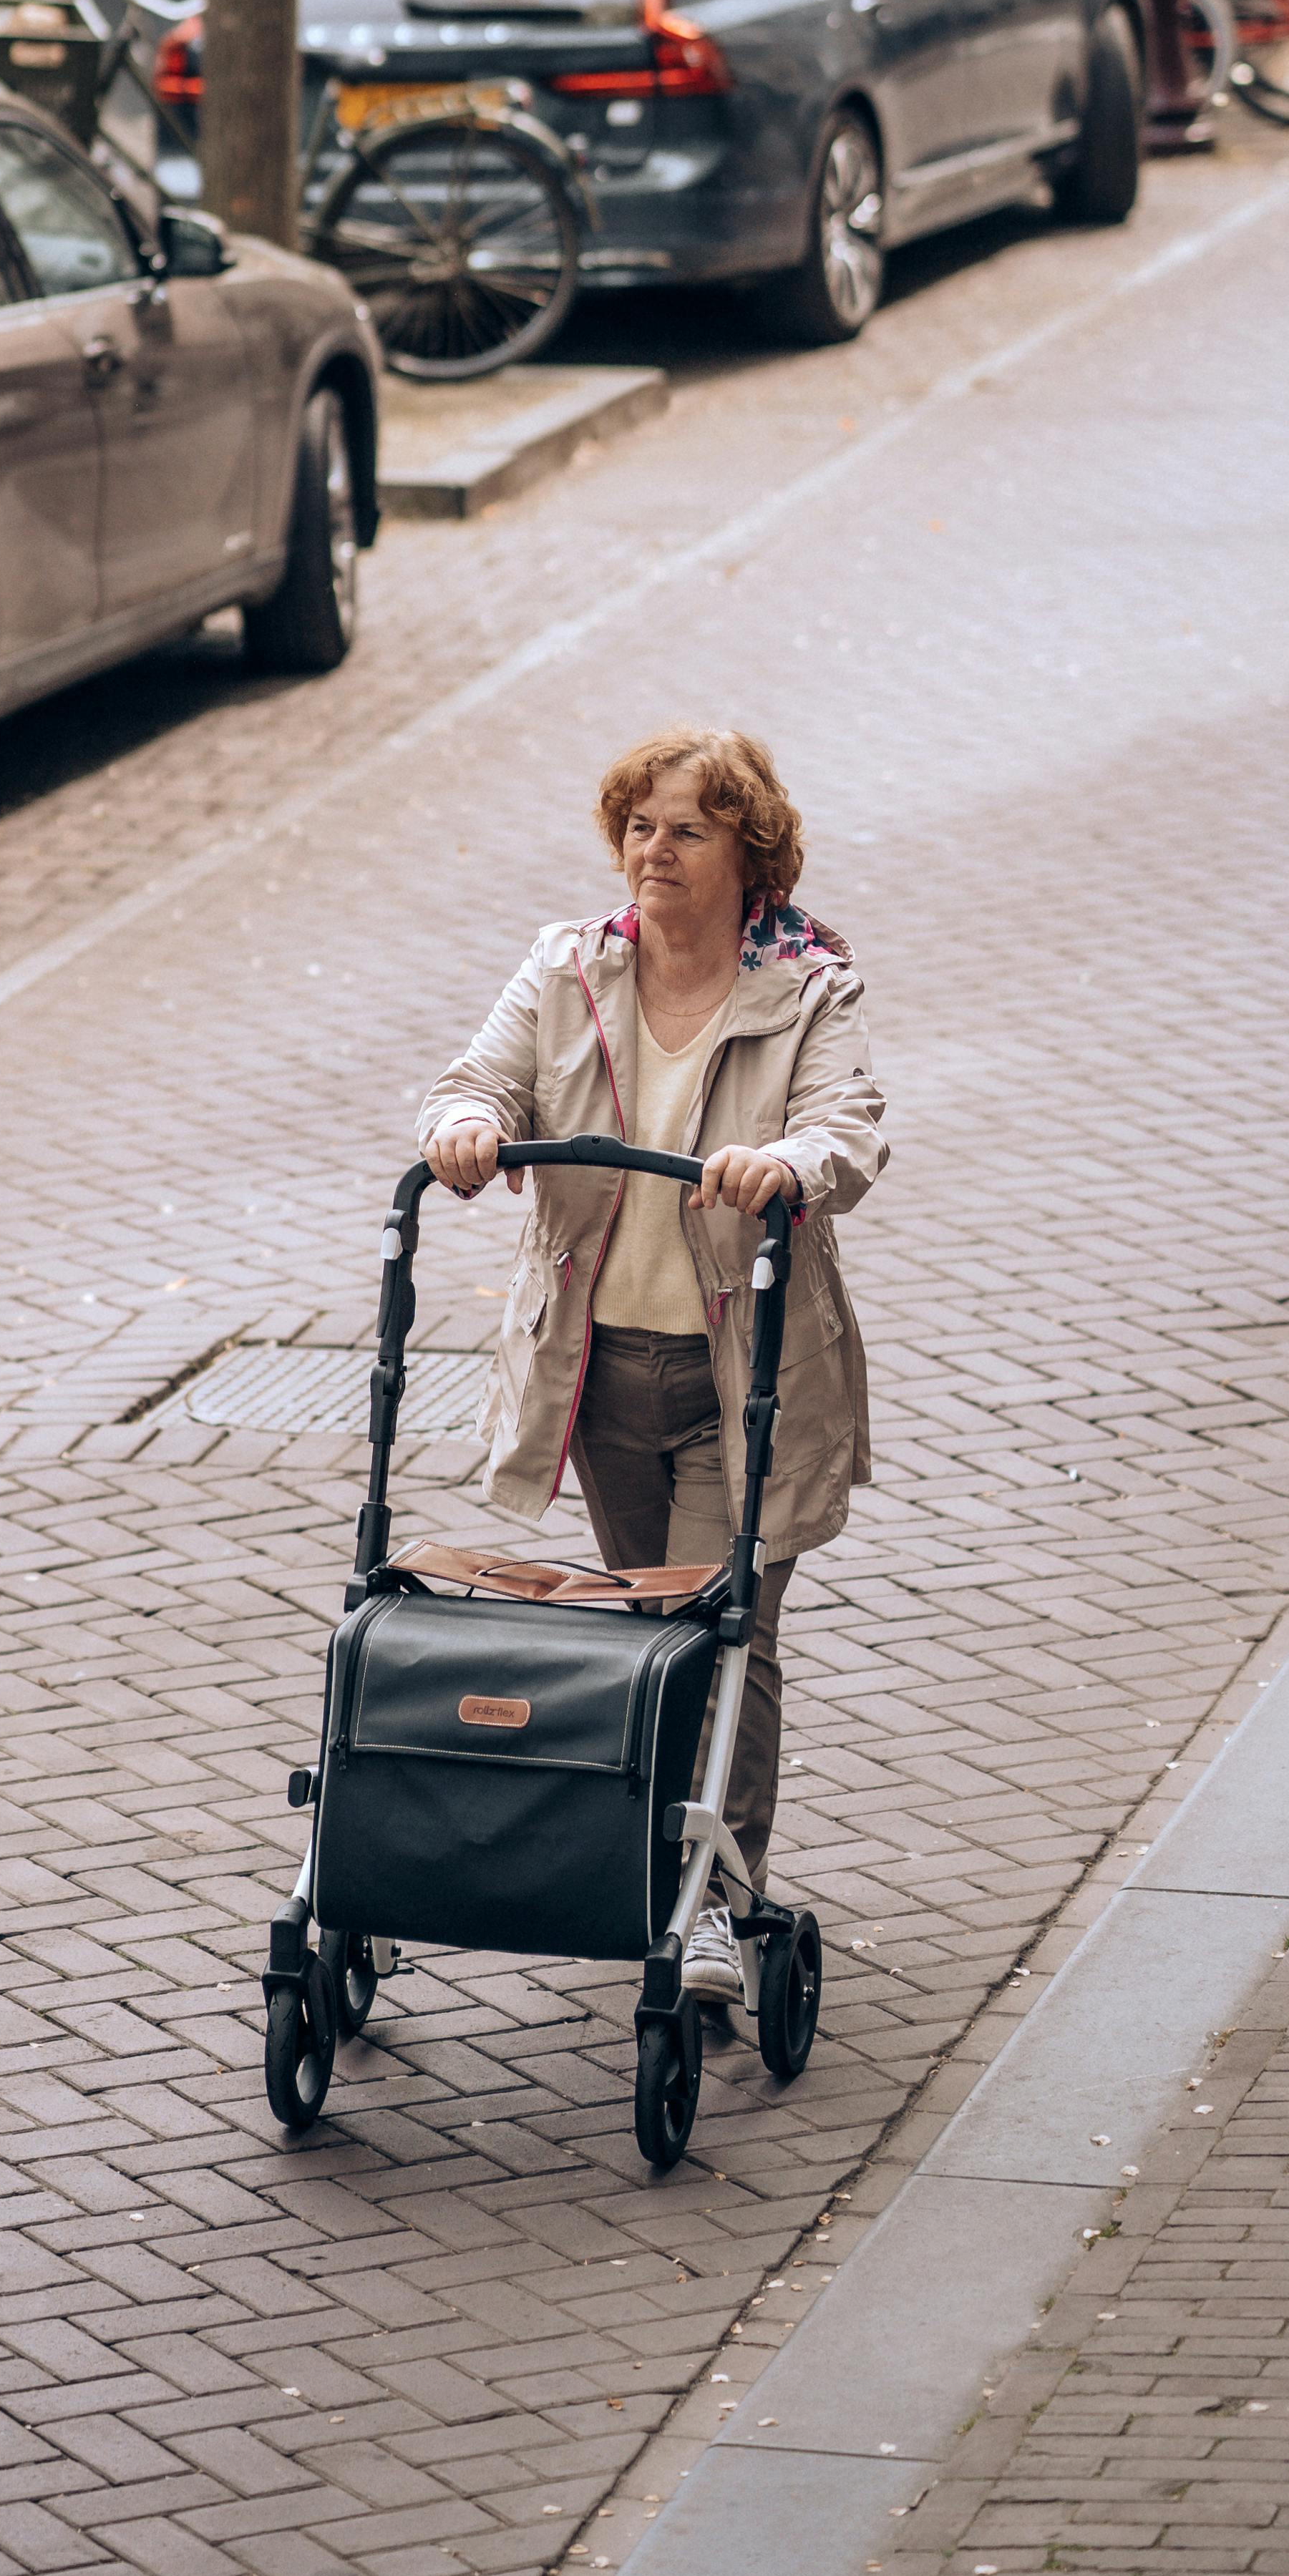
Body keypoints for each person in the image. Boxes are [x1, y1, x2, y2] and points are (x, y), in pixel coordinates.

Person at [419, 726, 885, 2005]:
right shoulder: (570, 967)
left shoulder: (807, 986)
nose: (652, 850)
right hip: (606, 1371)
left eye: (685, 827)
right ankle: (664, 1870)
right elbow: (479, 1082)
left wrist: (789, 1164)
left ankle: (716, 1904)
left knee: (728, 1632)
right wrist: (468, 1128)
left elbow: (847, 1130)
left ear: (749, 849)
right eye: (636, 825)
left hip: (751, 1374)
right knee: (650, 1628)